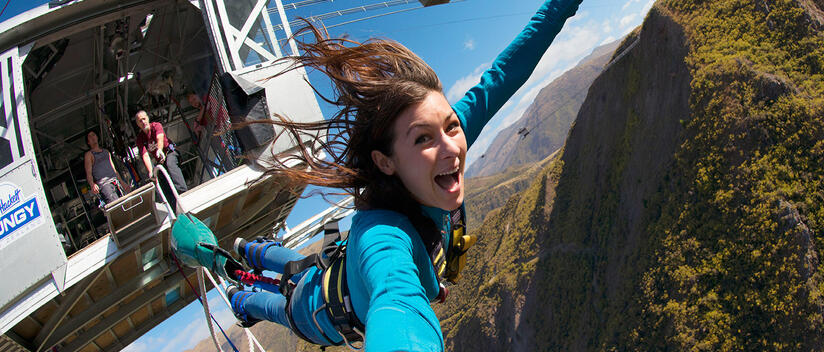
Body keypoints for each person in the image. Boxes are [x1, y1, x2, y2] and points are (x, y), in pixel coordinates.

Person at [224, 0, 583, 350]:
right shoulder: (382, 235)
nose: (451, 148)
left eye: (451, 126)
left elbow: (504, 75)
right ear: (386, 162)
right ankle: (242, 298)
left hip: (333, 269)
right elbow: (395, 299)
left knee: (296, 266)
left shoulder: (443, 141)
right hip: (314, 314)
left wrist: (563, 4)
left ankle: (253, 250)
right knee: (275, 306)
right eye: (423, 138)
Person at [135, 110, 188, 195]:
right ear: (138, 124)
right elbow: (145, 156)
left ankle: (183, 192)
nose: (143, 122)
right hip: (161, 161)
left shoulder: (156, 126)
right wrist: (151, 171)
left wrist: (159, 149)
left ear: (148, 118)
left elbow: (160, 138)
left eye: (144, 119)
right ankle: (172, 202)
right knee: (160, 178)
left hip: (170, 153)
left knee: (170, 164)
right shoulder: (140, 139)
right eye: (140, 121)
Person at [84, 131, 127, 205]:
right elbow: (89, 173)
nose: (92, 138)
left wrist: (122, 182)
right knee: (116, 206)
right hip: (105, 185)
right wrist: (92, 184)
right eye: (90, 137)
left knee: (125, 204)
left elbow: (114, 170)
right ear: (88, 142)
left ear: (97, 137)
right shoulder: (89, 155)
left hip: (116, 182)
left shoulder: (106, 152)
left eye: (94, 135)